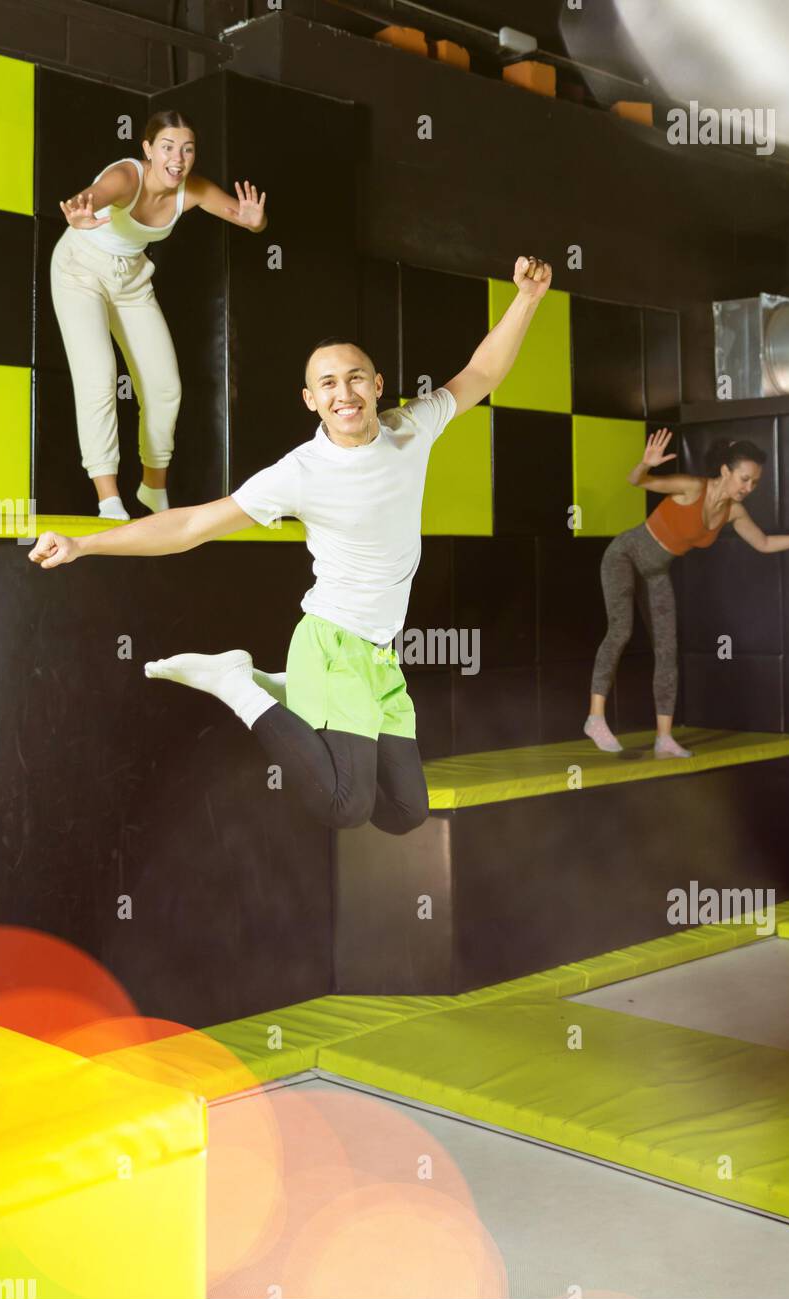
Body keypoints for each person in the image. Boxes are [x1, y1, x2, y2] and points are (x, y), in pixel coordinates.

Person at [30, 256, 553, 833]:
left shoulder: (412, 427)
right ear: (310, 400)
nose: (344, 393)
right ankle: (236, 683)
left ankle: (280, 685)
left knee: (405, 813)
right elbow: (189, 526)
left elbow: (481, 373)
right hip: (332, 642)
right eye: (327, 383)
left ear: (377, 386)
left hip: (379, 654)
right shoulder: (300, 473)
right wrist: (84, 545)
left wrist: (526, 299)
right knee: (343, 805)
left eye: (355, 377)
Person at [51, 109, 268, 520]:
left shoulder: (193, 189)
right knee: (98, 381)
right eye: (168, 147)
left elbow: (244, 217)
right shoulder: (127, 178)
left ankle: (153, 488)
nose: (178, 158)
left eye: (187, 149)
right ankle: (109, 500)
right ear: (148, 149)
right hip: (79, 273)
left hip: (131, 281)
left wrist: (256, 223)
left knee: (166, 387)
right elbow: (94, 194)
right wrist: (82, 208)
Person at [586, 429, 789, 758]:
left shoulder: (734, 512)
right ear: (725, 471)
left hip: (656, 570)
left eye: (755, 483)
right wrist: (645, 464)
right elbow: (637, 482)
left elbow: (765, 544)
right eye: (744, 479)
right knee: (621, 630)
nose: (748, 488)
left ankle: (664, 738)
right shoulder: (692, 487)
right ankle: (596, 718)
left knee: (668, 648)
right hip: (624, 556)